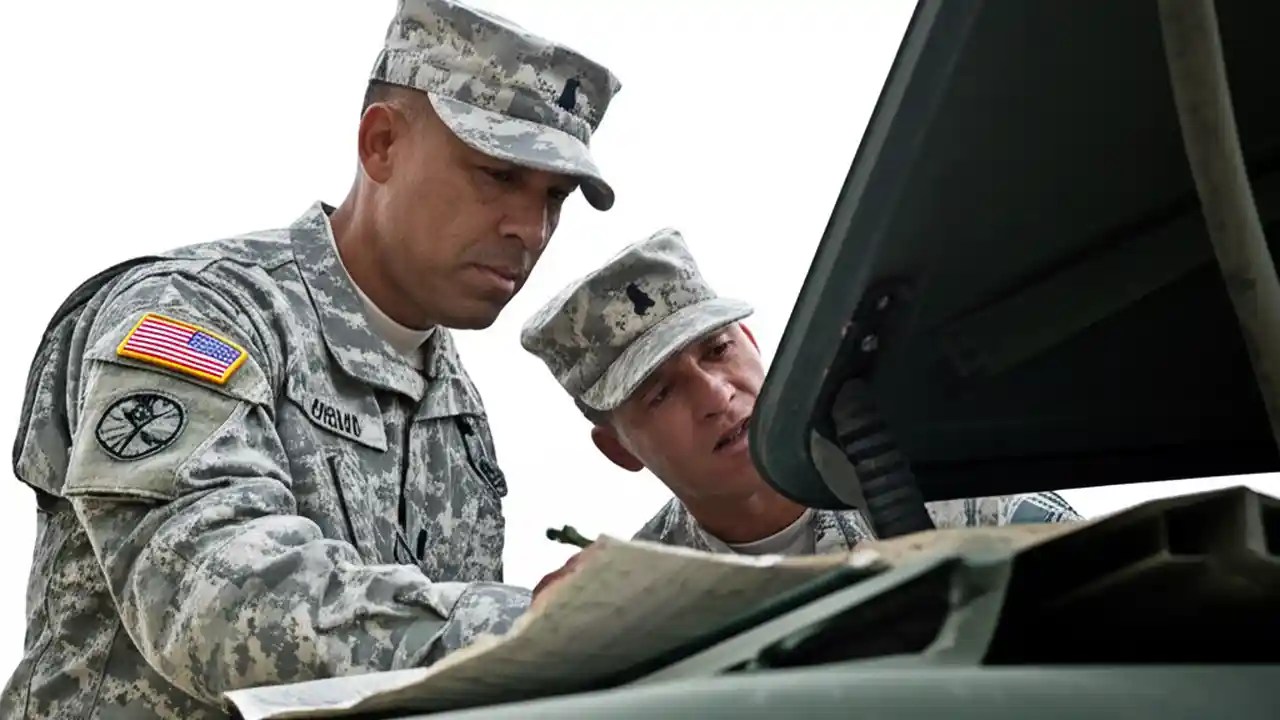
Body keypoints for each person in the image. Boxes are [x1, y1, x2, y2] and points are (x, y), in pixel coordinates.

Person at [1, 1, 621, 717]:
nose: (530, 228)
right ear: (382, 143)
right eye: (496, 176)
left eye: (556, 196)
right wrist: (534, 628)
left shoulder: (456, 411)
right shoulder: (197, 314)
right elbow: (214, 602)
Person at [520, 228, 1082, 560]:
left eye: (717, 351)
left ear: (751, 343)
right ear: (619, 449)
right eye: (662, 393)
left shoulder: (943, 487)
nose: (717, 396)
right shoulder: (639, 604)